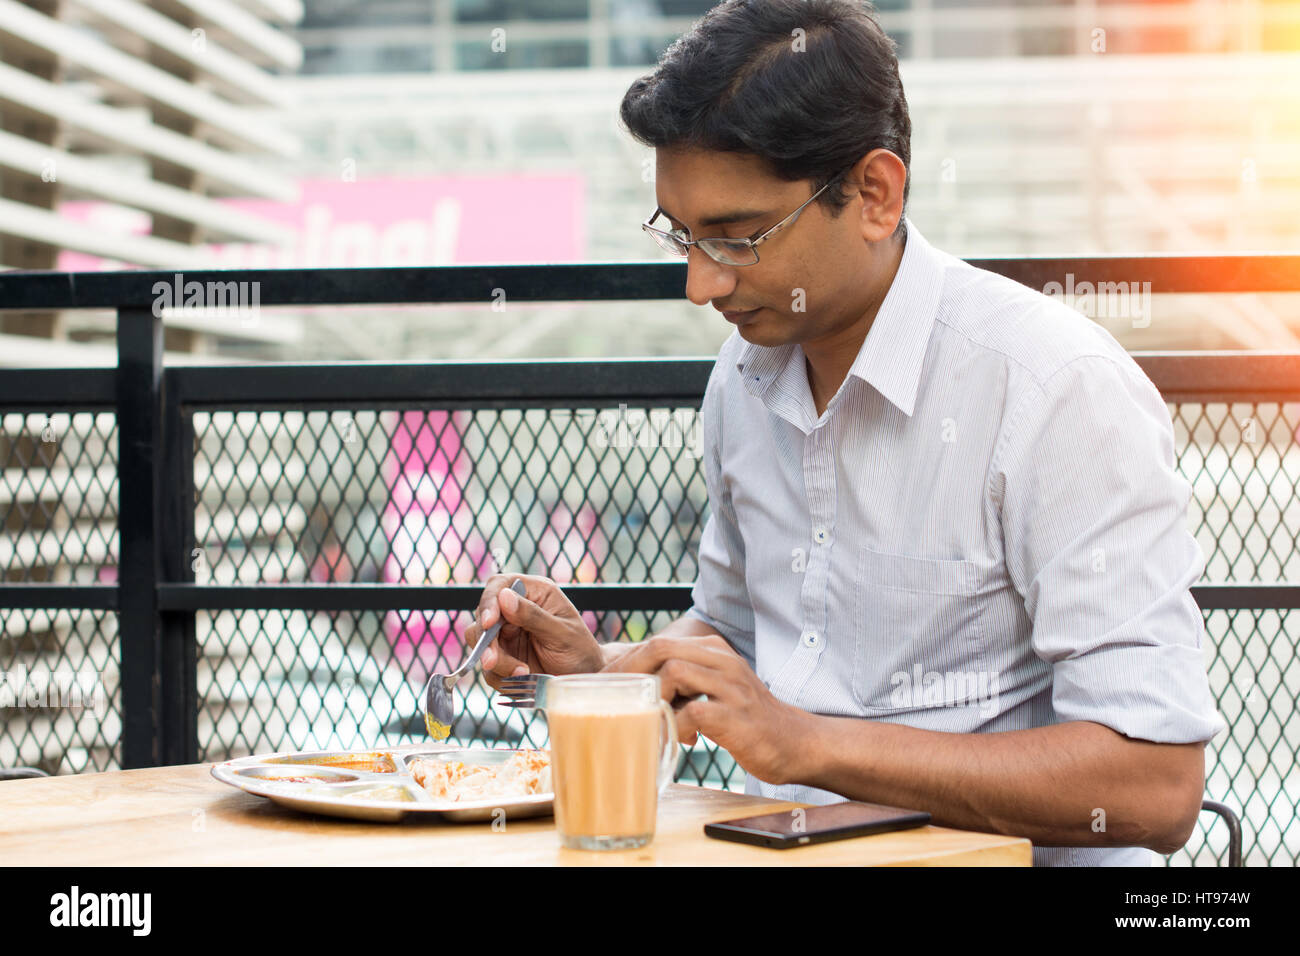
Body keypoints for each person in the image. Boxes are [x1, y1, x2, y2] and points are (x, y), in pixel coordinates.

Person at [462, 0, 1224, 866]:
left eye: (738, 238)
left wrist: (810, 742)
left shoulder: (1054, 391)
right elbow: (739, 638)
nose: (700, 285)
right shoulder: (743, 381)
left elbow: (1155, 786)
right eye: (682, 236)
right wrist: (605, 671)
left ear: (874, 194)